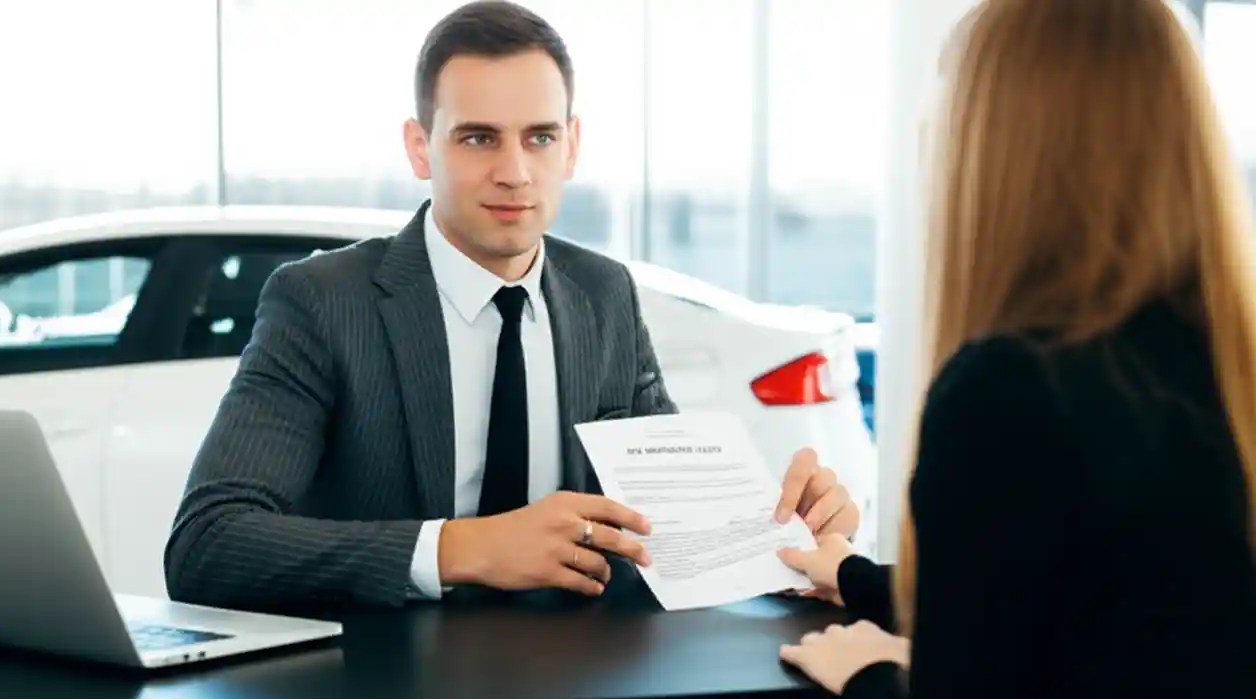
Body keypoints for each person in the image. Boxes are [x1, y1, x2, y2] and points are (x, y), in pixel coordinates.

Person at [164, 0, 859, 612]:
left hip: (574, 680)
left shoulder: (605, 296)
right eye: (478, 138)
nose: (515, 171)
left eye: (540, 137)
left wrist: (787, 537)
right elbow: (207, 543)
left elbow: (669, 522)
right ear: (419, 147)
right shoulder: (323, 302)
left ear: (572, 146)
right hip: (384, 685)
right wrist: (466, 548)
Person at [776, 0, 1256, 699]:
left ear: (993, 154)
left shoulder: (1012, 392)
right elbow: (1114, 604)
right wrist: (857, 578)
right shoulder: (1219, 365)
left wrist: (875, 678)